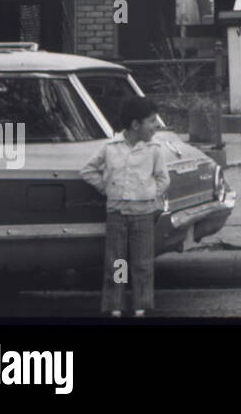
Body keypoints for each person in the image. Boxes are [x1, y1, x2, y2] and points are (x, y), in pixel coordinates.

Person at [81, 97, 170, 317]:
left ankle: (142, 305)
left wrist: (149, 193)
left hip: (143, 214)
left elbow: (163, 179)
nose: (156, 126)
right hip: (117, 214)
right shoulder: (110, 147)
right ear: (135, 125)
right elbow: (88, 170)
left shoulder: (154, 149)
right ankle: (114, 306)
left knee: (142, 263)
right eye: (151, 121)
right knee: (117, 263)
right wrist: (106, 188)